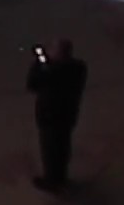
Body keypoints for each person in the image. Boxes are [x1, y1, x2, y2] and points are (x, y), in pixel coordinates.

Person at [25, 38, 88, 193]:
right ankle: (61, 176)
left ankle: (51, 180)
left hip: (50, 116)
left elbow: (32, 84)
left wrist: (39, 62)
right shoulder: (79, 68)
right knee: (63, 146)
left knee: (50, 149)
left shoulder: (51, 71)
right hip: (68, 115)